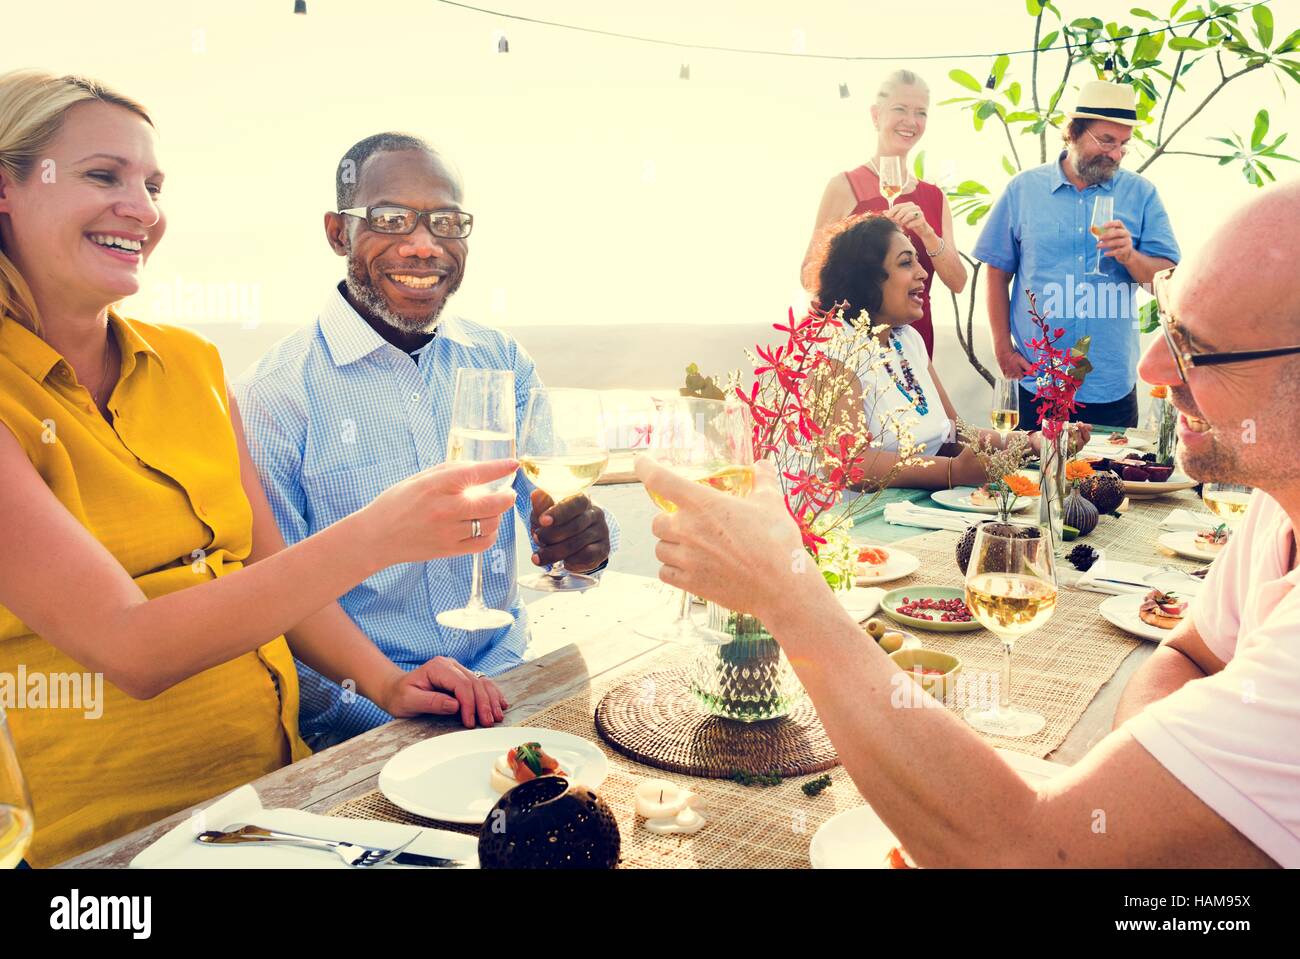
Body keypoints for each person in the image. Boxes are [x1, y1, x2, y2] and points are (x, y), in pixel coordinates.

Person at [636, 180, 1300, 867]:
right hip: (868, 529)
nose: (1149, 367)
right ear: (867, 276)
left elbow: (1022, 852)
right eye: (906, 262)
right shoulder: (1275, 511)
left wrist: (783, 589)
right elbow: (1190, 654)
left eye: (1196, 348)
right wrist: (1162, 774)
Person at [0, 71, 513, 867]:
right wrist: (379, 535)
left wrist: (384, 681)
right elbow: (132, 649)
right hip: (102, 851)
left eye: (153, 184)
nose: (141, 208)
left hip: (275, 805)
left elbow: (270, 570)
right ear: (6, 188)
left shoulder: (191, 364)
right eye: (103, 175)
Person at [235, 133, 617, 749]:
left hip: (510, 680)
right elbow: (277, 596)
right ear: (338, 233)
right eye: (390, 219)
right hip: (366, 722)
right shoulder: (274, 396)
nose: (423, 244)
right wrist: (391, 695)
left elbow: (552, 521)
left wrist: (579, 546)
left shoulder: (500, 360)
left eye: (446, 221)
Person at [806, 213, 1085, 490]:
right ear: (866, 279)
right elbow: (848, 465)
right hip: (858, 521)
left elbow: (952, 433)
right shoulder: (834, 349)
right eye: (906, 262)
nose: (923, 272)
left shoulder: (907, 341)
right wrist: (953, 472)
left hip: (916, 508)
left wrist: (1035, 441)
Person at [973, 80, 1180, 431]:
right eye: (1107, 140)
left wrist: (1129, 255)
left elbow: (1167, 282)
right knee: (1028, 485)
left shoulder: (1141, 194)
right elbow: (996, 273)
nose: (1115, 154)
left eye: (1124, 145)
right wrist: (1002, 350)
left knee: (1111, 484)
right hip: (1035, 381)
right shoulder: (1023, 189)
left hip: (1110, 387)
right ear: (1073, 132)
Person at [801, 69, 967, 359]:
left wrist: (927, 233)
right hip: (853, 347)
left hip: (915, 343)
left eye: (921, 112)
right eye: (900, 109)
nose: (911, 121)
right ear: (876, 115)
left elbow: (958, 282)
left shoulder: (934, 197)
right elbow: (808, 277)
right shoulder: (844, 186)